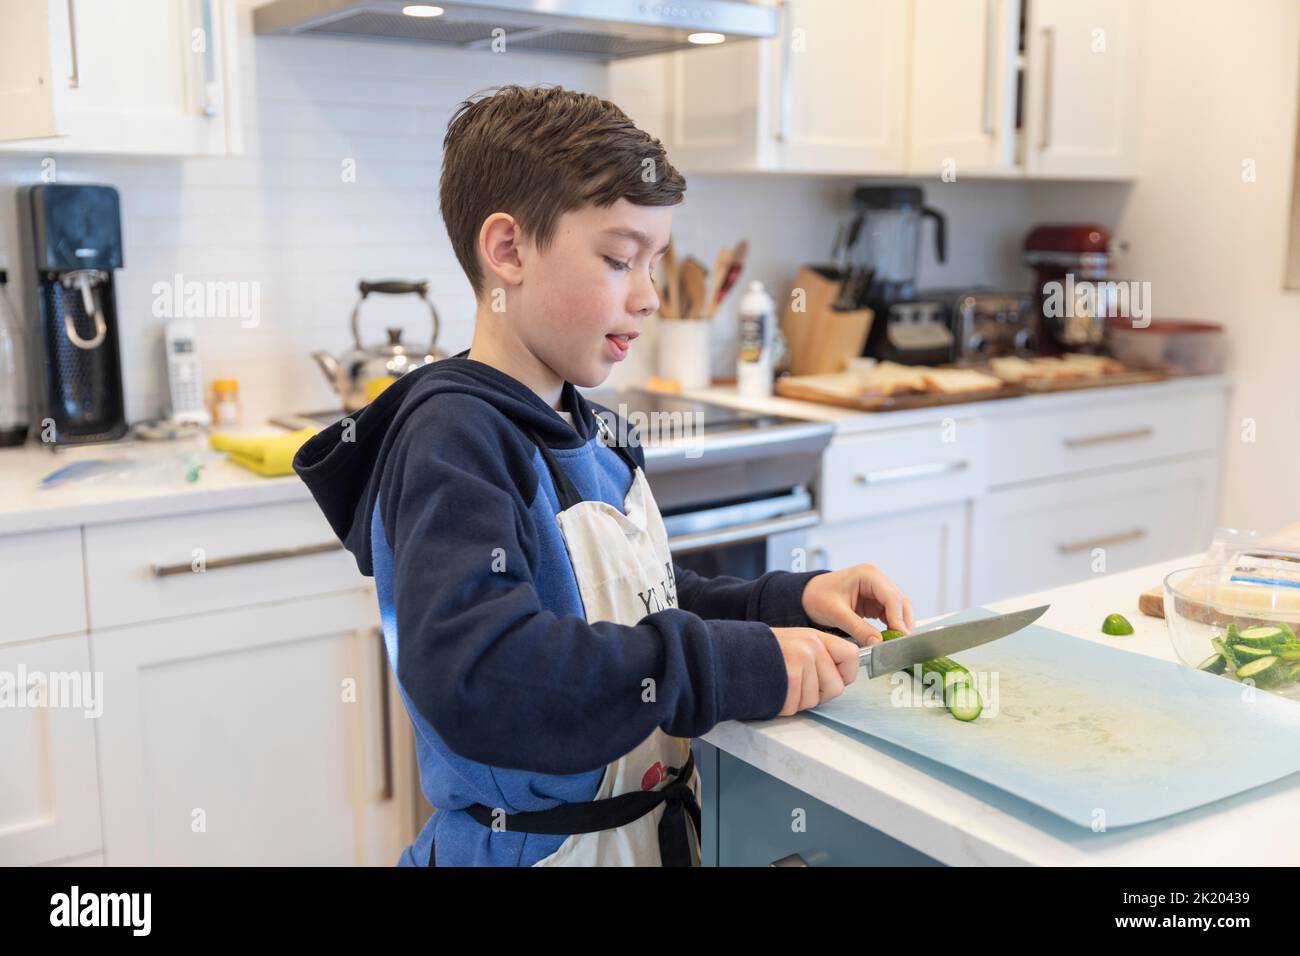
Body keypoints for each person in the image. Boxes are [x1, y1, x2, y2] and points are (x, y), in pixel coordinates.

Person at [293, 84, 914, 867]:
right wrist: (723, 666)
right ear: (509, 251)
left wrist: (779, 603)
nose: (649, 297)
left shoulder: (597, 430)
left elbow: (627, 605)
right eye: (620, 259)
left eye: (654, 262)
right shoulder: (454, 439)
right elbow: (485, 674)